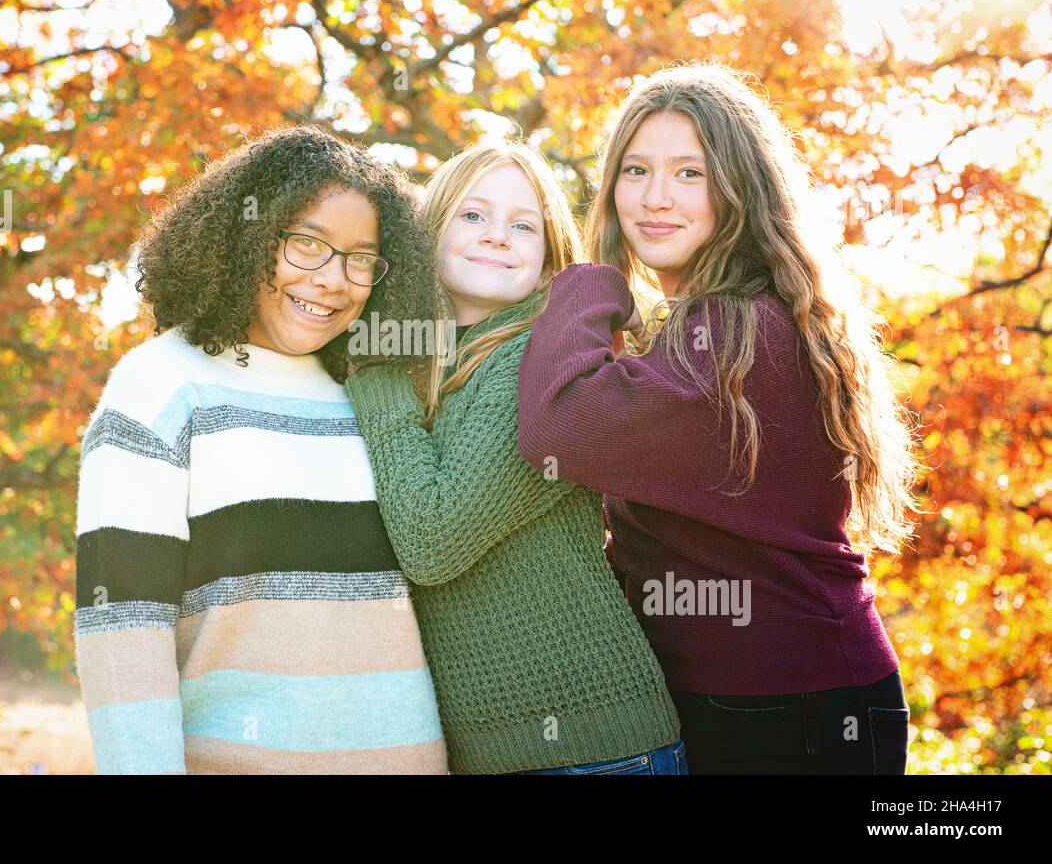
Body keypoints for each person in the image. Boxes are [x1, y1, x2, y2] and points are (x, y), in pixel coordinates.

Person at [517, 63, 919, 774]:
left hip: (787, 708)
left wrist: (590, 279)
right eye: (635, 171)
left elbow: (557, 424)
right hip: (767, 694)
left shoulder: (735, 335)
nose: (655, 198)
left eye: (689, 174)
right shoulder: (724, 323)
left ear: (740, 188)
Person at [74, 126, 448, 773]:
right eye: (307, 244)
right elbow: (123, 631)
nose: (333, 280)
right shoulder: (161, 387)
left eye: (361, 258)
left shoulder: (371, 393)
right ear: (250, 236)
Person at [343, 141, 686, 775]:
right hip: (482, 754)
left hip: (589, 750)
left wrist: (377, 376)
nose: (497, 236)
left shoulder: (540, 364)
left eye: (523, 225)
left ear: (550, 257)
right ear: (428, 232)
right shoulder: (430, 363)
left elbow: (431, 537)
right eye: (472, 216)